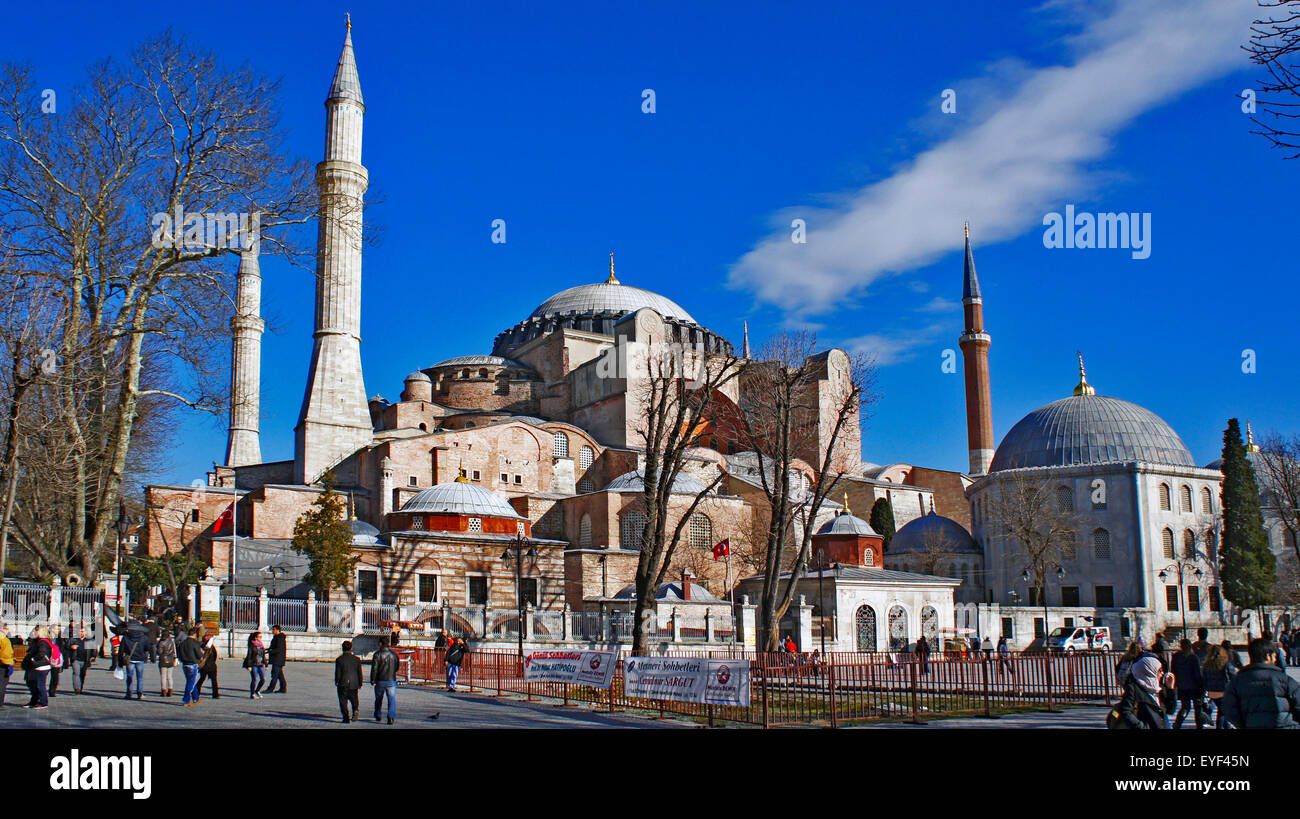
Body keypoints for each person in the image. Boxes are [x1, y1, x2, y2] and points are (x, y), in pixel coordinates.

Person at [1222, 637, 1300, 729]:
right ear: (1268, 656)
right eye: (1274, 656)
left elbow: (1229, 710)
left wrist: (1244, 724)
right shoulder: (1285, 680)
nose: (1275, 660)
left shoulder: (1236, 681)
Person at [1116, 654, 1168, 729]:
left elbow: (1170, 709)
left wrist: (1170, 689)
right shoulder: (1134, 688)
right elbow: (1126, 711)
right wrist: (1142, 726)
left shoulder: (1158, 688)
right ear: (1149, 670)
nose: (1162, 673)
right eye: (1160, 670)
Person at [1171, 639, 1206, 729]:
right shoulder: (1193, 657)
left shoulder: (1176, 657)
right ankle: (1199, 726)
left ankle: (1178, 723)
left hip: (1182, 686)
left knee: (1185, 707)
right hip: (1194, 686)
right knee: (1198, 708)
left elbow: (1173, 671)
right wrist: (1201, 686)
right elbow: (1197, 673)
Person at [1202, 645, 1235, 729]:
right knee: (1222, 712)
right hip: (1223, 692)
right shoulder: (1225, 664)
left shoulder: (1207, 665)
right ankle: (1220, 726)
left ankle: (1226, 725)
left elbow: (1204, 679)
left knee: (1222, 710)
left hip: (1212, 692)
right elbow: (1233, 676)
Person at [21, 625, 54, 710]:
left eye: (36, 631)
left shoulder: (43, 642)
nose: (34, 632)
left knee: (40, 685)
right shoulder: (37, 641)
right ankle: (34, 701)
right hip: (36, 666)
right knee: (32, 684)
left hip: (41, 666)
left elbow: (41, 653)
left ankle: (43, 702)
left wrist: (33, 659)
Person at [120, 623, 155, 700]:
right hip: (140, 658)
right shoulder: (144, 637)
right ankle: (140, 693)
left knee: (129, 676)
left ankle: (129, 693)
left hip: (130, 658)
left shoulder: (126, 637)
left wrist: (120, 662)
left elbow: (122, 649)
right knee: (140, 677)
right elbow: (147, 648)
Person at [371, 635, 399, 724]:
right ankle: (391, 717)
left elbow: (374, 668)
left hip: (380, 680)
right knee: (391, 699)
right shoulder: (394, 655)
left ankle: (378, 714)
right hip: (391, 680)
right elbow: (397, 667)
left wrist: (373, 679)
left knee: (379, 698)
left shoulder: (377, 654)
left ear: (380, 643)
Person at [334, 640, 363, 723]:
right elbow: (359, 672)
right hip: (354, 682)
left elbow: (338, 672)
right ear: (351, 648)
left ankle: (346, 716)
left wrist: (337, 681)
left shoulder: (339, 659)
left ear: (342, 648)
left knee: (343, 700)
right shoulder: (356, 659)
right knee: (354, 699)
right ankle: (355, 710)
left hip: (343, 683)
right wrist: (360, 682)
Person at [176, 627, 205, 706]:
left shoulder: (182, 643)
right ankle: (186, 699)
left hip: (185, 664)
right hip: (193, 664)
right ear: (194, 635)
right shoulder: (195, 643)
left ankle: (196, 697)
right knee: (190, 682)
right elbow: (199, 655)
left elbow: (180, 654)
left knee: (191, 681)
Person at [67, 625, 91, 694]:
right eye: (80, 631)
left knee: (83, 674)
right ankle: (77, 688)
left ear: (86, 632)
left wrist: (93, 656)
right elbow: (66, 646)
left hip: (85, 660)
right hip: (76, 659)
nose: (81, 633)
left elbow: (93, 649)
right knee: (76, 673)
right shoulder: (73, 639)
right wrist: (71, 647)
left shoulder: (88, 640)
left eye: (83, 631)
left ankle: (81, 687)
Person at [196, 631, 220, 700]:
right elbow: (215, 656)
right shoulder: (210, 646)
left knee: (203, 679)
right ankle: (215, 694)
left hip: (206, 665)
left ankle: (197, 691)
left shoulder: (202, 646)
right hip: (209, 665)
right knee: (212, 680)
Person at [243, 631, 267, 699]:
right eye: (259, 637)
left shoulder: (261, 645)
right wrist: (249, 665)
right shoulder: (252, 645)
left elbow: (263, 655)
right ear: (255, 638)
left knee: (263, 678)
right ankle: (252, 693)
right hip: (253, 664)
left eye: (261, 637)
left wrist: (266, 664)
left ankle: (257, 690)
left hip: (261, 664)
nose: (260, 638)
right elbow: (249, 655)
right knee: (255, 679)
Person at [266, 625, 288, 694]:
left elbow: (278, 649)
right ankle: (283, 688)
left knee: (274, 674)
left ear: (277, 630)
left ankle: (270, 689)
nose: (272, 631)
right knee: (279, 675)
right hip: (277, 659)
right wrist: (267, 650)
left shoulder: (280, 638)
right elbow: (273, 647)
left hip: (278, 659)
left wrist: (270, 651)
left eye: (274, 630)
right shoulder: (276, 637)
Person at [156, 628, 177, 697]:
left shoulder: (161, 642)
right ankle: (170, 690)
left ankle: (163, 690)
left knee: (163, 676)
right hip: (170, 659)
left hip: (163, 660)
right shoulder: (171, 641)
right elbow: (174, 650)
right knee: (170, 676)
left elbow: (159, 652)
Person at [0, 621, 13, 706]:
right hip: (2, 664)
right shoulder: (4, 639)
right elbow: (7, 654)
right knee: (2, 684)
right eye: (6, 628)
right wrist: (10, 665)